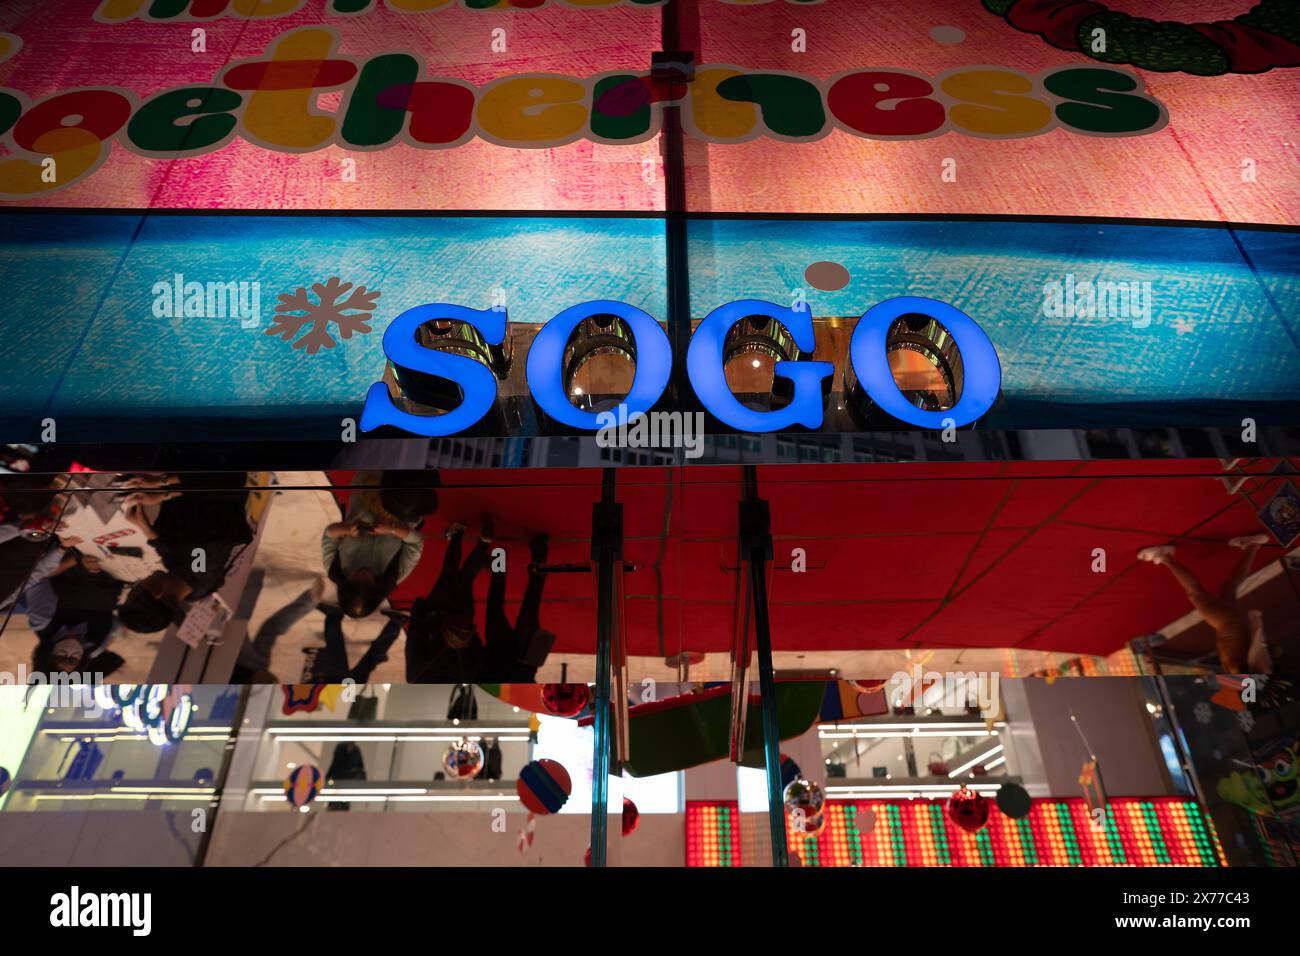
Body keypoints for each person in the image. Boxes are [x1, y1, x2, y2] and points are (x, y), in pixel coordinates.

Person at [117, 474, 253, 634]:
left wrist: (147, 530)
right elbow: (223, 481)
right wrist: (163, 488)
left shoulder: (188, 592)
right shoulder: (200, 561)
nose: (142, 579)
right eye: (139, 586)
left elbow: (173, 554)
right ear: (157, 593)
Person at [1137, 533, 1273, 673]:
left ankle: (1252, 546)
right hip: (1227, 624)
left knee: (1229, 587)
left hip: (1236, 626)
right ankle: (1165, 556)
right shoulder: (1245, 675)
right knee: (1195, 593)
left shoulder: (1258, 673)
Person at [405, 516, 494, 683]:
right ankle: (458, 532)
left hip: (463, 622)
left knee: (466, 579)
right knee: (449, 572)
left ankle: (483, 544)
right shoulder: (415, 676)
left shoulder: (464, 679)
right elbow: (415, 639)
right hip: (435, 613)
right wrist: (418, 609)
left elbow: (478, 653)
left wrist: (468, 636)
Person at [322, 491, 424, 620]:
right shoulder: (392, 576)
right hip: (404, 505)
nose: (362, 574)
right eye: (366, 581)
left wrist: (347, 529)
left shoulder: (334, 569)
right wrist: (392, 529)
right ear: (376, 590)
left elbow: (329, 535)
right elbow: (416, 542)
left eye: (355, 579)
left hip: (364, 496)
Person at [482, 533, 555, 682]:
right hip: (497, 653)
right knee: (495, 604)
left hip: (525, 658)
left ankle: (539, 555)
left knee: (531, 603)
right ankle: (499, 558)